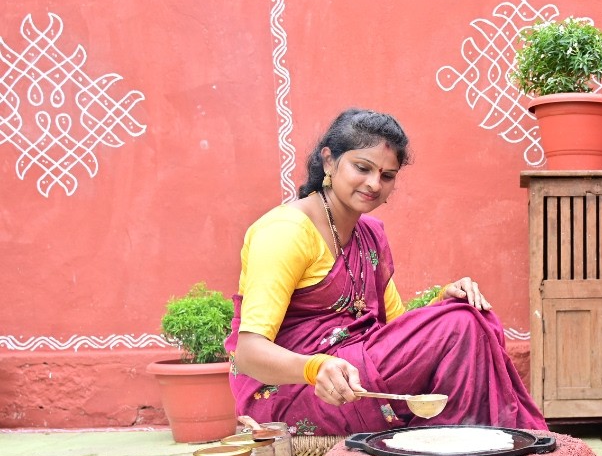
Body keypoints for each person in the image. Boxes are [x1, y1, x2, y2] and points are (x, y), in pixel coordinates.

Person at [225, 108, 547, 436]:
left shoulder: (370, 234)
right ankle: (465, 442)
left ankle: (465, 445)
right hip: (296, 390)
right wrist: (316, 367)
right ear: (328, 161)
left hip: (358, 377)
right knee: (460, 325)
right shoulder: (287, 231)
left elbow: (392, 330)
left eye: (387, 175)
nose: (374, 184)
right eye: (361, 168)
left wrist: (441, 304)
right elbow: (249, 352)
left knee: (467, 315)